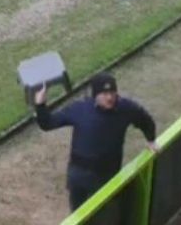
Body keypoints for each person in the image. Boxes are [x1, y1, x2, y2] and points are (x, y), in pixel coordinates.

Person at [34, 73, 157, 210]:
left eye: (112, 92)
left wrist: (151, 140)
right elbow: (48, 123)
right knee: (79, 214)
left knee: (105, 214)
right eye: (104, 94)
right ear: (95, 95)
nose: (109, 97)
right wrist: (40, 105)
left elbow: (145, 120)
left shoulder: (125, 109)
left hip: (108, 175)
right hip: (80, 177)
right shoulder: (79, 109)